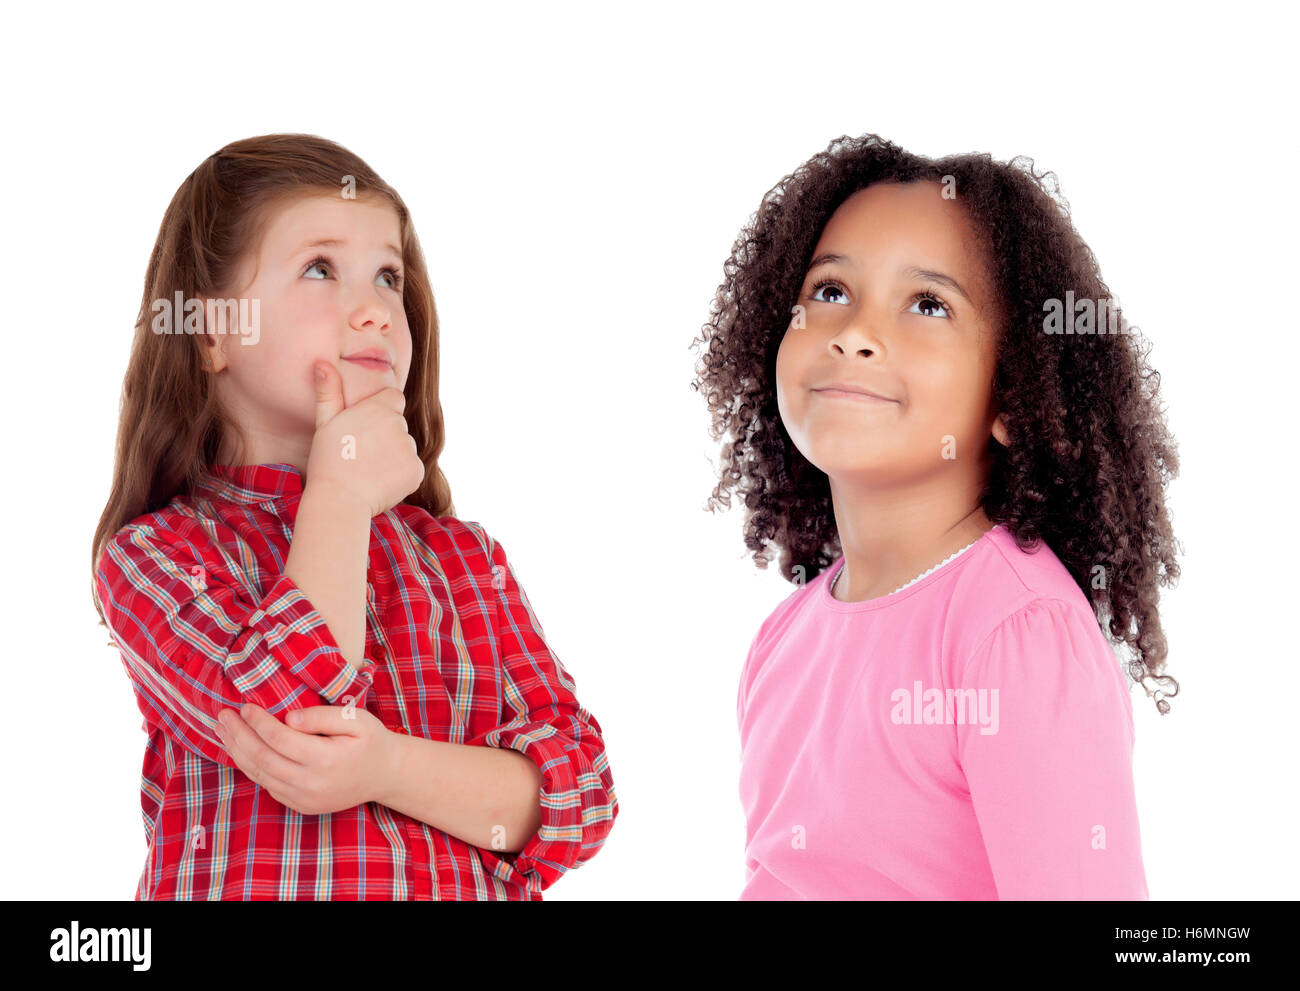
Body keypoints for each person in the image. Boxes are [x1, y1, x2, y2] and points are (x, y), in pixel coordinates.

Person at [92, 133, 617, 900]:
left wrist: (388, 767)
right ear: (210, 331)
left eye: (388, 276)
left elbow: (581, 793)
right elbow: (289, 714)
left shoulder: (467, 561)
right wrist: (336, 496)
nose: (375, 308)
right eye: (320, 269)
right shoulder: (156, 555)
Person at [692, 133, 1180, 900]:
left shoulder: (1019, 635)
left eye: (927, 304)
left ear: (1014, 396)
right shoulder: (780, 642)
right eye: (828, 291)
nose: (854, 333)